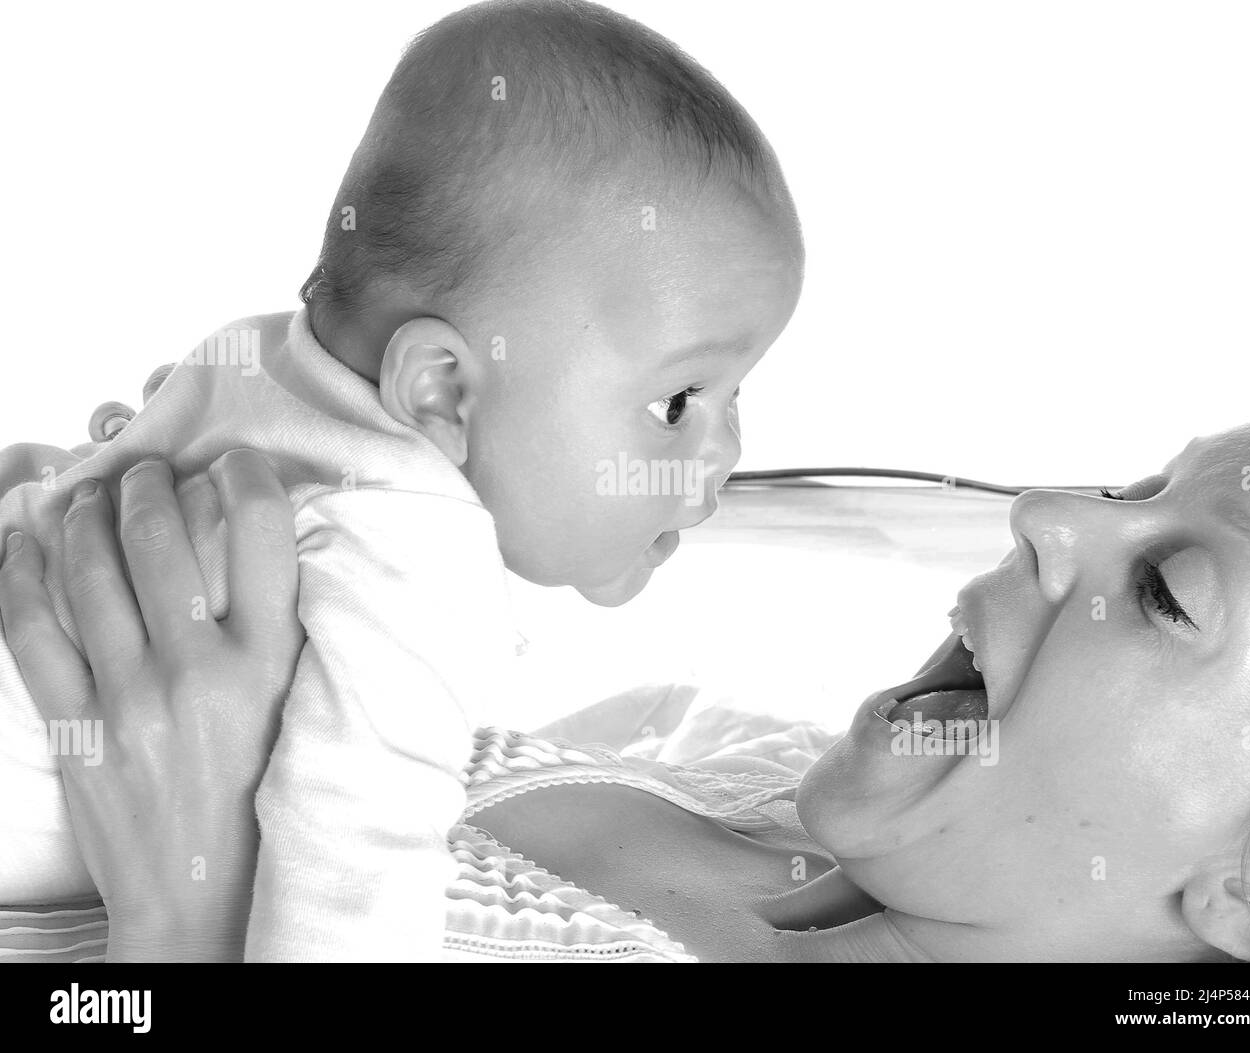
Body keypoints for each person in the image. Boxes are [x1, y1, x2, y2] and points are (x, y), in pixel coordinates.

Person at [0, 0, 802, 959]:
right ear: (441, 389)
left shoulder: (248, 356)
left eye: (734, 395)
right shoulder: (420, 547)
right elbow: (354, 855)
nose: (724, 452)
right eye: (680, 401)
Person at [6, 403, 1250, 961]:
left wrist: (178, 918)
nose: (1049, 514)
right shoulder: (740, 754)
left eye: (1171, 592)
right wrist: (200, 529)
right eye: (1134, 490)